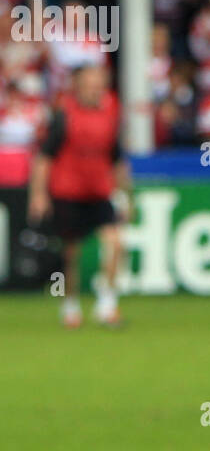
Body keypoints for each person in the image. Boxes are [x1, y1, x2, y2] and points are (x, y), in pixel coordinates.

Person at [28, 62, 131, 326]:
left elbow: (117, 159)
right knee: (71, 254)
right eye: (89, 86)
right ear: (78, 88)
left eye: (98, 86)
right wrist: (39, 194)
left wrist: (125, 194)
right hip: (68, 193)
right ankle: (70, 304)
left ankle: (106, 304)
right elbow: (44, 158)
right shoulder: (64, 117)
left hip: (99, 192)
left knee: (116, 243)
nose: (94, 91)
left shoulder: (109, 117)